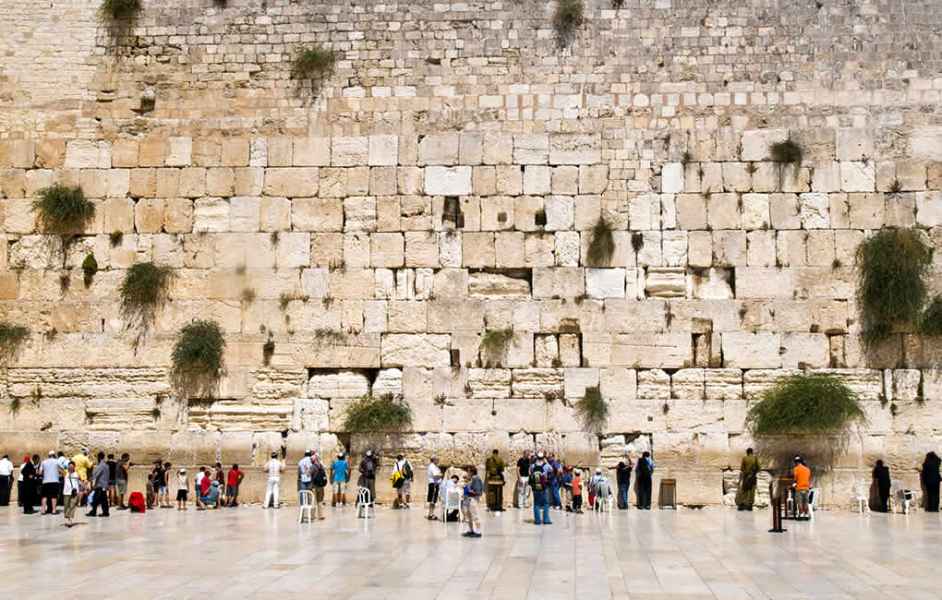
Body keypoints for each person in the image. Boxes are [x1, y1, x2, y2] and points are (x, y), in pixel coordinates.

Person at [529, 454, 551, 525]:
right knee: (545, 503)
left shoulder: (533, 466)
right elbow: (551, 469)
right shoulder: (546, 465)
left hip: (535, 487)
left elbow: (530, 472)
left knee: (536, 504)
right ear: (543, 458)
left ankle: (537, 521)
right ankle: (546, 520)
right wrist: (546, 462)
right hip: (543, 487)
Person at [461, 467, 484, 538]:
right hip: (468, 499)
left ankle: (478, 531)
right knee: (468, 515)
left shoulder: (476, 478)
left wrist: (469, 491)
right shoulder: (471, 479)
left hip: (473, 499)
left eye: (468, 471)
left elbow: (477, 491)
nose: (467, 473)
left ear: (472, 472)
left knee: (475, 515)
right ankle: (471, 530)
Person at [86, 452, 110, 517]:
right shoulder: (106, 465)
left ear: (99, 457)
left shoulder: (101, 465)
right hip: (104, 485)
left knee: (95, 499)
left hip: (100, 485)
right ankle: (105, 512)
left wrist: (90, 479)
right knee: (104, 500)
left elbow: (95, 474)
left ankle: (94, 512)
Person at [39, 451, 62, 515]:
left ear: (48, 455)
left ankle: (43, 510)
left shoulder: (44, 462)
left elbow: (40, 472)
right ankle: (54, 510)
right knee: (54, 496)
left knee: (44, 496)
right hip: (55, 481)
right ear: (54, 455)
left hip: (45, 481)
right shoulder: (57, 461)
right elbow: (61, 470)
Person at [62, 461, 82, 527]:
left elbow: (81, 481)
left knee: (72, 506)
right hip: (66, 492)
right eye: (69, 466)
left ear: (74, 467)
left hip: (74, 492)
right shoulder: (65, 473)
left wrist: (84, 486)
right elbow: (58, 469)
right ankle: (68, 516)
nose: (70, 467)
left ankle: (70, 519)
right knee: (66, 506)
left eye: (72, 466)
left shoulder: (77, 474)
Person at [311, 453, 328, 520]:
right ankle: (321, 515)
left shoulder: (312, 467)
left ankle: (312, 516)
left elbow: (308, 474)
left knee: (313, 501)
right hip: (321, 486)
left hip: (314, 486)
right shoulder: (321, 466)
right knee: (320, 501)